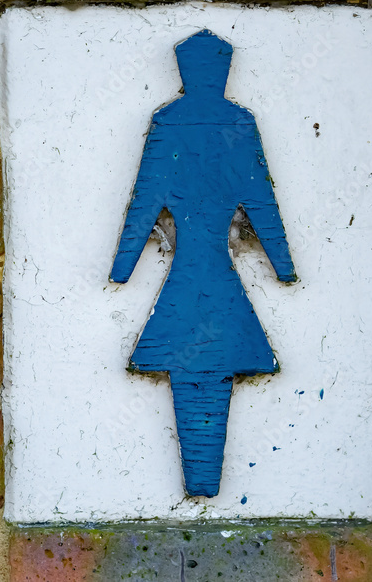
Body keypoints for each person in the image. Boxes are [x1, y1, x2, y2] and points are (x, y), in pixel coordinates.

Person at [110, 29, 296, 497]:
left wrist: (123, 269)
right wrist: (282, 266)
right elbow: (262, 204)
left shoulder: (168, 121)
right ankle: (203, 478)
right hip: (218, 277)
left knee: (189, 363)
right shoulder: (238, 123)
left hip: (186, 279)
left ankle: (201, 478)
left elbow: (143, 204)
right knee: (214, 364)